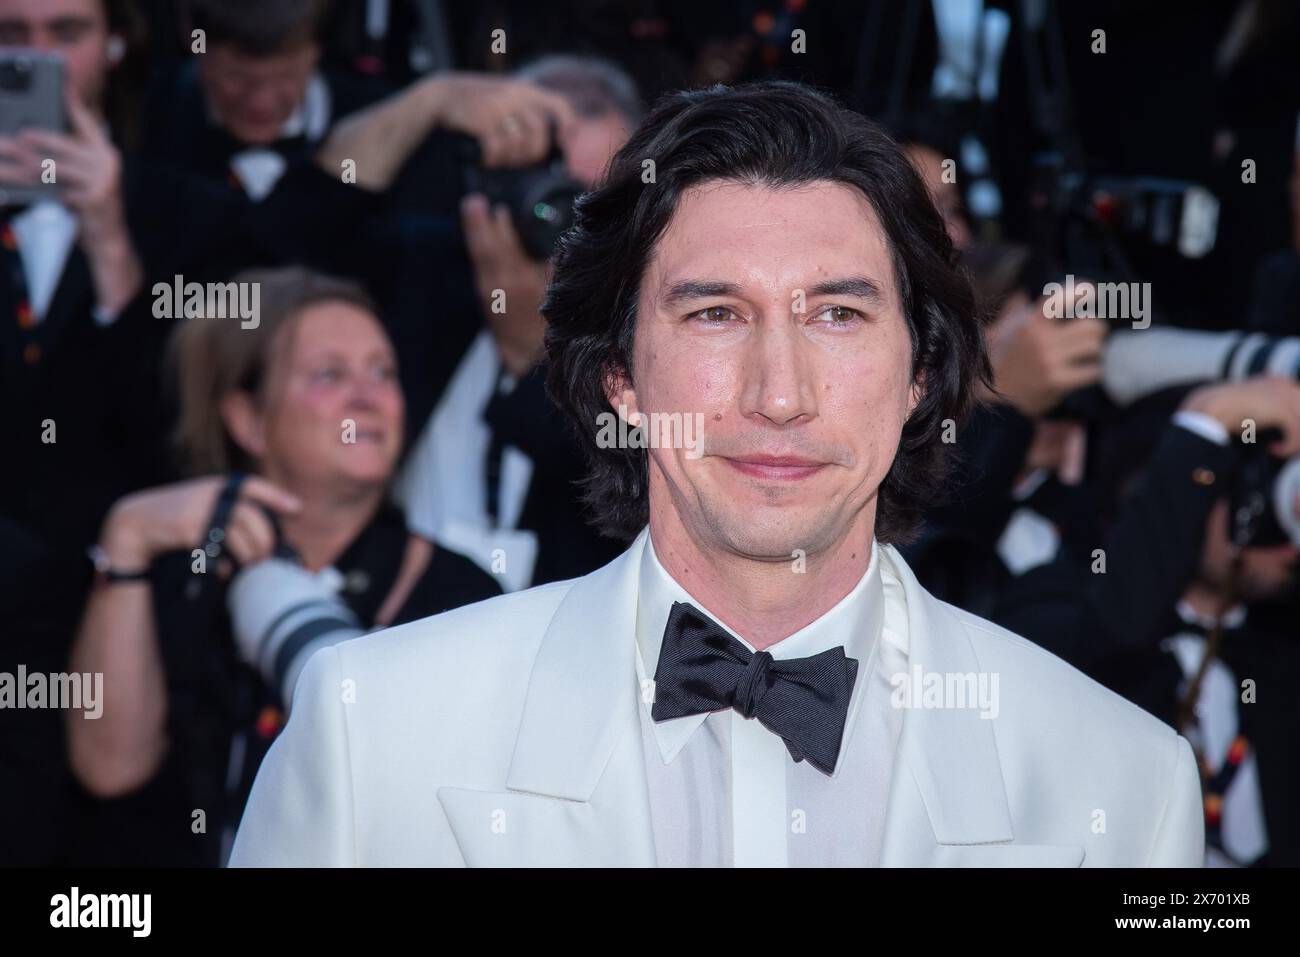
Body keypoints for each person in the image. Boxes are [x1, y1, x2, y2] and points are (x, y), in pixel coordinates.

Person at [230, 82, 1202, 867]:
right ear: (618, 377)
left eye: (837, 316)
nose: (778, 395)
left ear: (918, 377)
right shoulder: (373, 731)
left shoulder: (1123, 784)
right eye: (713, 315)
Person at [65, 267, 500, 866]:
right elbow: (109, 766)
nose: (368, 397)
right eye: (329, 375)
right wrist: (127, 537)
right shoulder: (182, 572)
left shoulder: (466, 596)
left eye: (384, 372)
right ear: (246, 419)